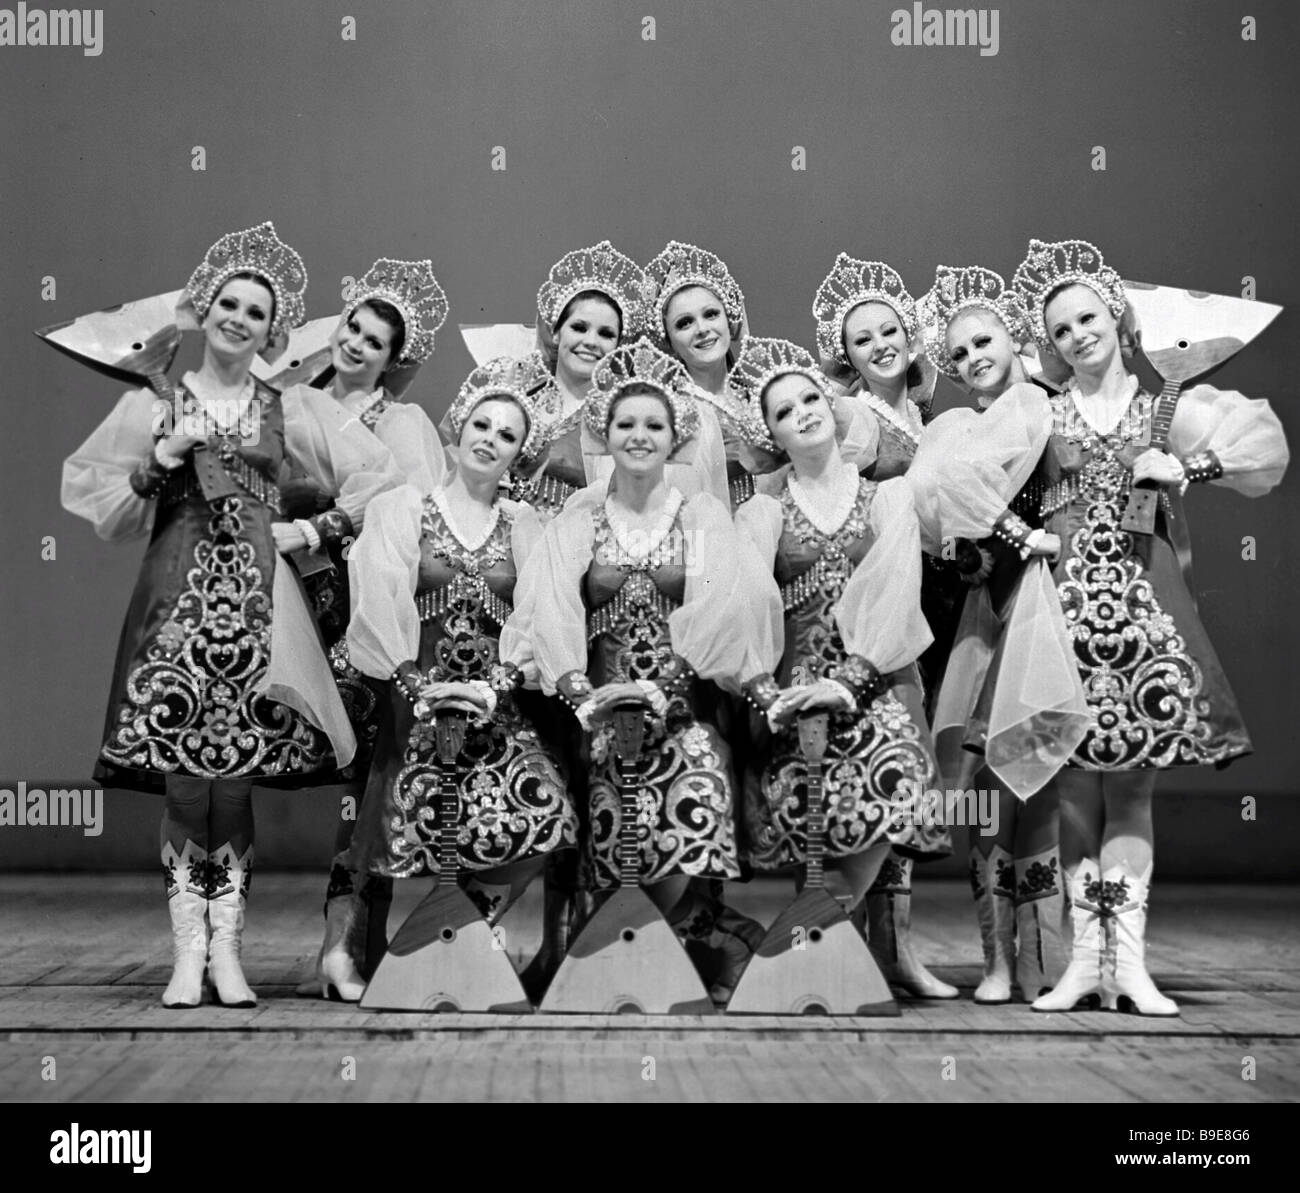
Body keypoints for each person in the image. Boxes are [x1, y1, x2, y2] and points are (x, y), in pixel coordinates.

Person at [932, 238, 1288, 1014]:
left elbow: (1264, 448)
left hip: (1143, 616)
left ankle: (1128, 965)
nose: (1076, 337)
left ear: (1118, 318)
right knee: (1069, 795)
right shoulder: (1042, 410)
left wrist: (1187, 469)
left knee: (1130, 794)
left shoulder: (1166, 405)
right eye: (1060, 330)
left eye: (1087, 318)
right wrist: (1022, 536)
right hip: (1057, 618)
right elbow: (949, 480)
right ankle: (1082, 965)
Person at [60, 222, 397, 1007]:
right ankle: (187, 953)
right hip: (176, 607)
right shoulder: (155, 404)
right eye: (228, 304)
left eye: (256, 311)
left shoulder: (294, 409)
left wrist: (315, 529)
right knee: (186, 781)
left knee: (235, 782)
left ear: (272, 331)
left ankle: (229, 955)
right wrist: (158, 462)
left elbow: (380, 477)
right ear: (203, 312)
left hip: (258, 612)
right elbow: (100, 497)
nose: (239, 318)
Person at [501, 338, 779, 965]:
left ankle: (651, 949)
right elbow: (550, 607)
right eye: (626, 423)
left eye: (654, 424)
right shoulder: (580, 517)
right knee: (607, 800)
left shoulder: (701, 518)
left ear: (676, 437)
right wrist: (581, 695)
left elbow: (715, 605)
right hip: (597, 710)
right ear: (604, 432)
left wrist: (665, 690)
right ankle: (616, 952)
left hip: (678, 709)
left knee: (701, 777)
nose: (639, 435)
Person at [343, 356, 578, 968]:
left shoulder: (526, 522)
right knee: (393, 828)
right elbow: (377, 606)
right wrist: (418, 686)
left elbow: (535, 614)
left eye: (507, 436)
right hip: (416, 701)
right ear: (457, 430)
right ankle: (356, 955)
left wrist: (497, 686)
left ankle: (432, 943)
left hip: (493, 709)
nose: (490, 440)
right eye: (482, 425)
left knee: (547, 815)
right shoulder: (405, 509)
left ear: (518, 455)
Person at [728, 338, 943, 919]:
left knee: (890, 787)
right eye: (783, 411)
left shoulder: (888, 498)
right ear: (772, 437)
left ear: (832, 404)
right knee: (813, 824)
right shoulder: (762, 513)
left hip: (876, 681)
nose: (802, 411)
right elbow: (743, 614)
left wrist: (850, 680)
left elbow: (899, 595)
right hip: (796, 690)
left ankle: (814, 941)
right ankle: (816, 947)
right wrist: (768, 693)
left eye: (809, 397)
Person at [283, 257, 450, 1000]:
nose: (356, 344)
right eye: (354, 326)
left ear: (392, 361)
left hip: (356, 609)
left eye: (376, 341)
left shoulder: (402, 424)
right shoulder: (285, 401)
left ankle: (346, 943)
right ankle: (211, 941)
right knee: (222, 775)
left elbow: (411, 518)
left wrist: (327, 523)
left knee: (369, 775)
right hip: (282, 596)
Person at [915, 264, 1069, 1003]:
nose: (974, 357)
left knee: (1033, 774)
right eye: (958, 354)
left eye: (984, 341)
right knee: (976, 782)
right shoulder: (951, 430)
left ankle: (1045, 959)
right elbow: (944, 515)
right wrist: (982, 544)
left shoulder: (1050, 408)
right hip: (984, 608)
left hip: (1046, 604)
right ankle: (996, 960)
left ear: (1014, 337)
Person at [811, 253, 960, 998]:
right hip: (885, 600)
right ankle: (860, 945)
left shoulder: (929, 417)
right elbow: (832, 497)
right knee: (889, 755)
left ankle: (893, 948)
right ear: (847, 354)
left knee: (917, 753)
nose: (878, 344)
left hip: (942, 595)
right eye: (861, 337)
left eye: (888, 330)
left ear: (911, 334)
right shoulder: (859, 421)